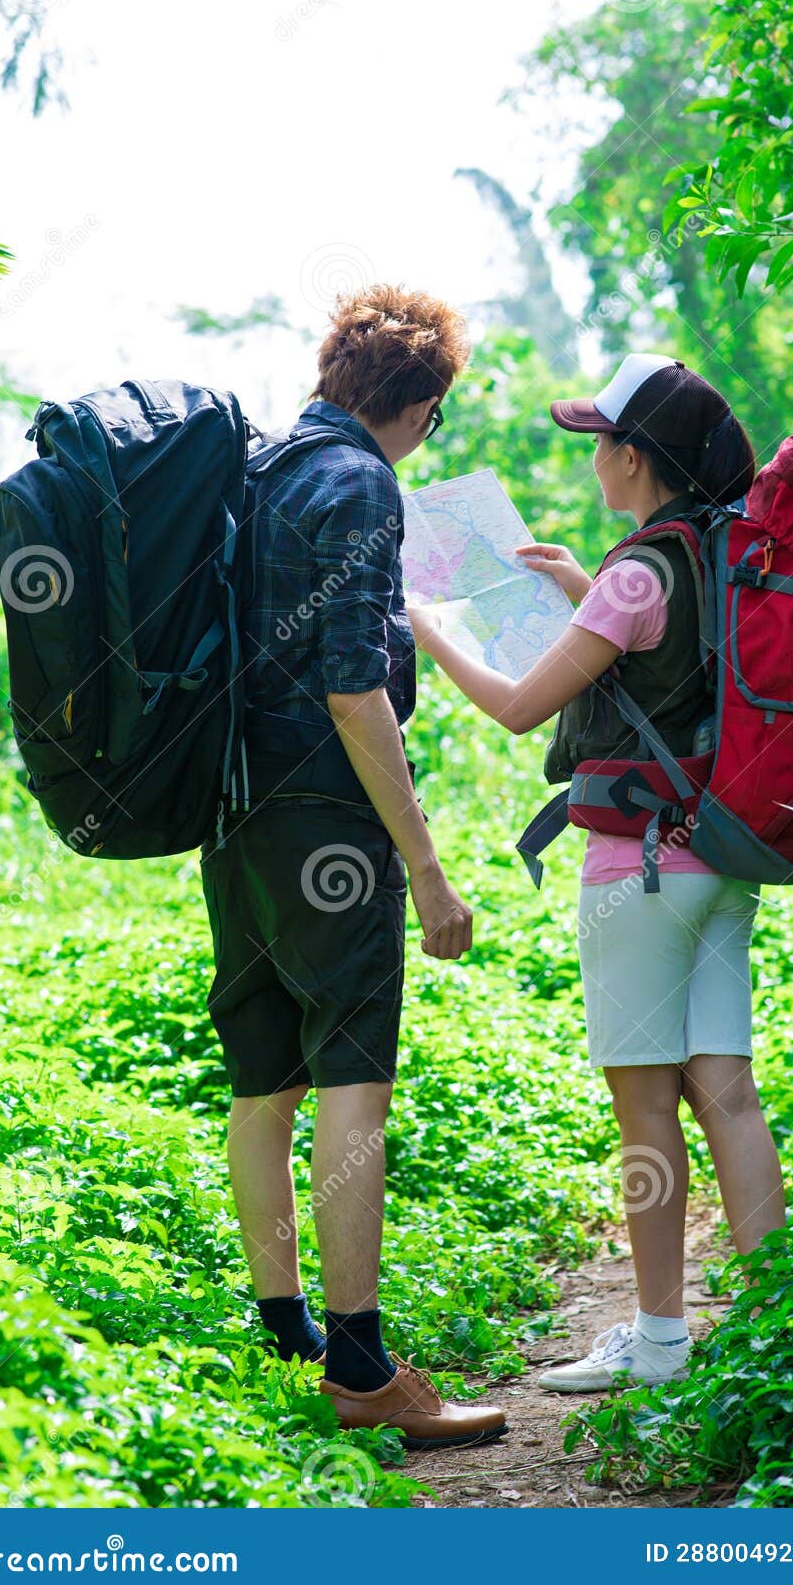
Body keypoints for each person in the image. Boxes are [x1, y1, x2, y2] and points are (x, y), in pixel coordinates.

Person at [407, 353, 786, 1394]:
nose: (593, 459)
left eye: (599, 442)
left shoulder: (633, 572)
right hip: (718, 857)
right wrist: (583, 589)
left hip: (636, 874)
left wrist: (431, 631)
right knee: (728, 1094)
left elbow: (521, 707)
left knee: (645, 1115)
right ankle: (781, 1328)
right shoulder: (714, 550)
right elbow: (672, 664)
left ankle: (661, 1342)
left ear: (633, 456)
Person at [199, 284, 506, 1449]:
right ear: (421, 406)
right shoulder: (363, 483)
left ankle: (285, 1334)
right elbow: (349, 687)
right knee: (352, 1079)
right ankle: (364, 1362)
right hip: (329, 824)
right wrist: (425, 866)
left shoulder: (262, 467)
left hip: (233, 819)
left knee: (264, 1075)